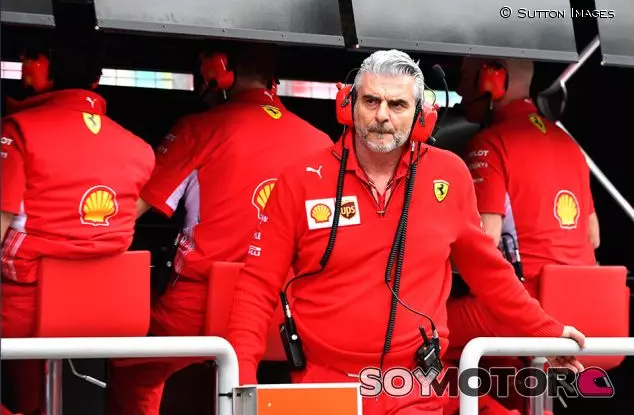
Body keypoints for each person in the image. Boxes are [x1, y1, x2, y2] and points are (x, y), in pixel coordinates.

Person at [225, 49, 586, 415]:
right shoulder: (300, 180)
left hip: (414, 387)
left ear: (421, 116)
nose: (382, 115)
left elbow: (491, 276)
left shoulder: (450, 175)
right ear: (348, 106)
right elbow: (256, 287)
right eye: (370, 101)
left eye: (397, 104)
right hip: (325, 385)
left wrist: (546, 331)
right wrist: (239, 386)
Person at [105, 42, 333, 415]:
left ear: (218, 71)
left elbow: (129, 213)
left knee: (131, 368)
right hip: (289, 309)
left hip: (200, 305)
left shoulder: (199, 129)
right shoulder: (322, 143)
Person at [0, 32, 155, 415]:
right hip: (109, 313)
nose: (23, 65)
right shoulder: (140, 149)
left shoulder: (17, 131)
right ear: (96, 81)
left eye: (29, 57)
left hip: (25, 314)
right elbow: (133, 208)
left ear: (46, 66)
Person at [442, 57, 599, 414]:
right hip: (583, 307)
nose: (461, 89)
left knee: (417, 338)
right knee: (504, 367)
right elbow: (594, 235)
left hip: (526, 304)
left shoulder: (490, 142)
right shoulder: (569, 144)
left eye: (465, 78)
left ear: (491, 79)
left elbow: (485, 240)